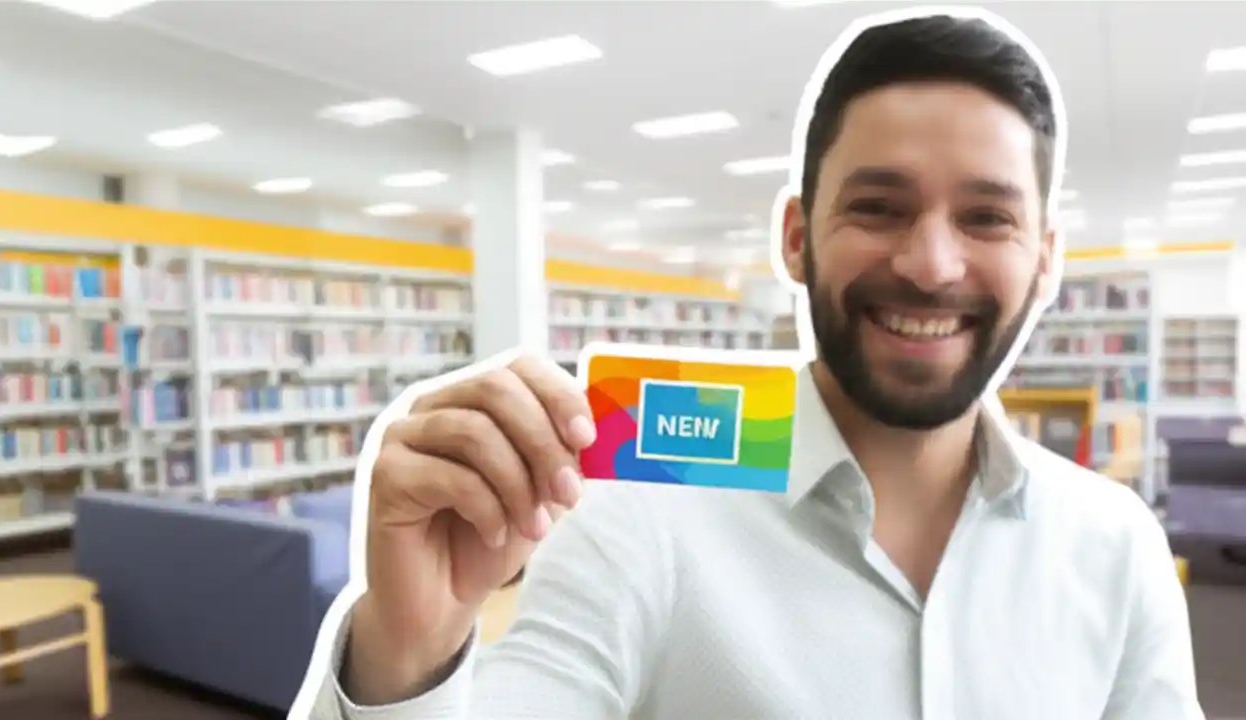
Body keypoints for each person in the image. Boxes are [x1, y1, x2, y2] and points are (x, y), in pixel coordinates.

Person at [299, 9, 1204, 720]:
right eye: (879, 207)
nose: (932, 265)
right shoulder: (640, 515)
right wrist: (408, 654)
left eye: (986, 218)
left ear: (1045, 259)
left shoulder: (1114, 546)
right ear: (796, 239)